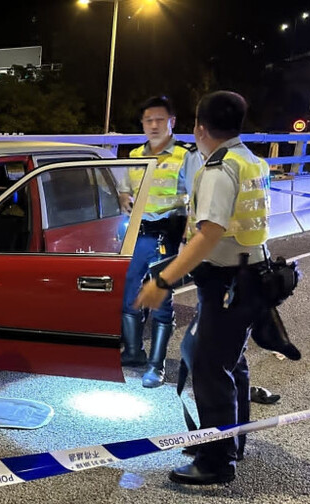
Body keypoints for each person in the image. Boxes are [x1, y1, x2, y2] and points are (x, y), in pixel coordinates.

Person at [134, 91, 271, 485]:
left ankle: (215, 460)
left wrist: (163, 280)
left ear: (199, 127)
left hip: (229, 282)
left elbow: (208, 234)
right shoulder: (251, 160)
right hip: (250, 275)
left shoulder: (219, 168)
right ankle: (231, 440)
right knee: (228, 362)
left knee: (211, 368)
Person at [119, 96, 202, 388]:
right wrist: (124, 197)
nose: (153, 125)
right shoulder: (134, 155)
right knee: (129, 291)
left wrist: (192, 239)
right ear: (142, 123)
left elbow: (197, 198)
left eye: (159, 120)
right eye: (148, 120)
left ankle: (157, 366)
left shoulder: (186, 155)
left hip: (168, 233)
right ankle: (133, 352)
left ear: (172, 122)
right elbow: (124, 191)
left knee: (161, 299)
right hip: (138, 232)